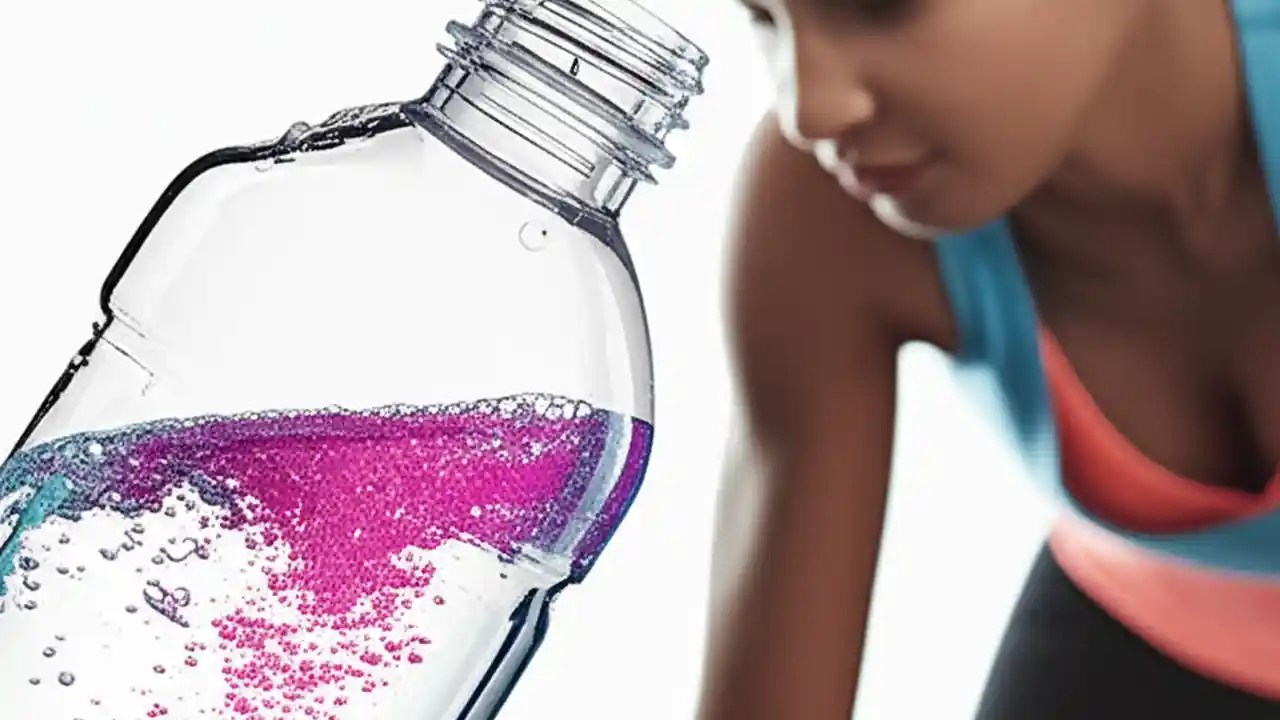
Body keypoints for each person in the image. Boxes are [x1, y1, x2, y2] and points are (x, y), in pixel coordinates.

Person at [695, 0, 1280, 718]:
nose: (810, 109)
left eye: (879, 7)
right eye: (764, 16)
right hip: (1135, 642)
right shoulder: (824, 212)